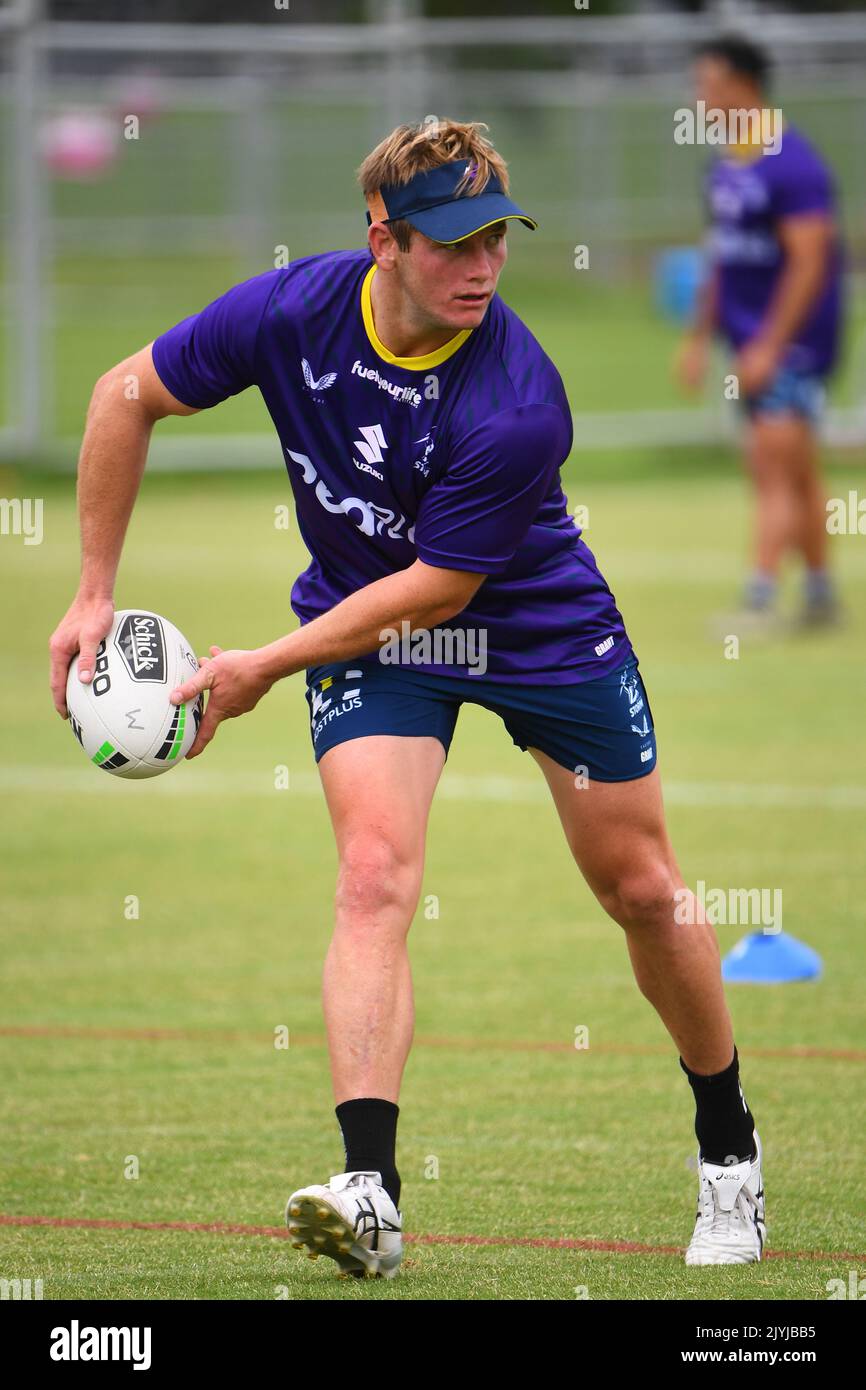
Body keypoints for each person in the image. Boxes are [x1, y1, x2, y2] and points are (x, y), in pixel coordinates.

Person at [50, 119, 764, 1278]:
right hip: (364, 621)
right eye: (448, 243)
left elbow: (437, 589)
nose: (478, 264)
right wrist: (92, 593)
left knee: (638, 887)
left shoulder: (519, 397)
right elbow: (120, 395)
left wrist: (260, 668)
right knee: (373, 872)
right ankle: (370, 1191)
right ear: (379, 237)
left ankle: (726, 1143)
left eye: (493, 237)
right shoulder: (293, 314)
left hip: (530, 622)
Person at [676, 34, 844, 631]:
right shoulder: (725, 163)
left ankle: (761, 598)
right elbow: (721, 258)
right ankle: (822, 593)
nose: (699, 99)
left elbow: (811, 261)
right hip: (749, 338)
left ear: (742, 88)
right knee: (795, 464)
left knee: (771, 463)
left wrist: (773, 344)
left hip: (794, 342)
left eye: (708, 86)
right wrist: (699, 337)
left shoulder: (793, 163)